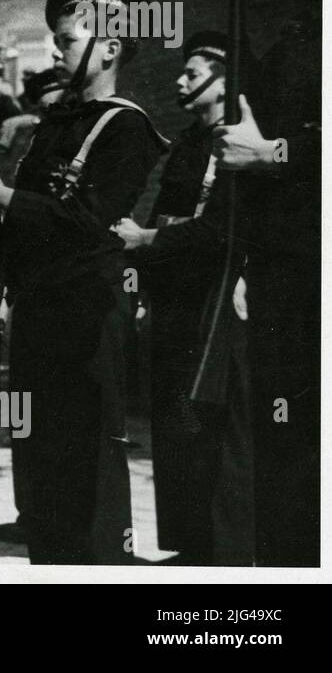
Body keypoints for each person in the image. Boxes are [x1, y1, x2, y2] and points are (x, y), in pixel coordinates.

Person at [0, 0, 167, 564]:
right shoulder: (55, 124)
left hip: (85, 313)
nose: (57, 51)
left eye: (68, 40)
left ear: (111, 48)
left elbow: (88, 220)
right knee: (42, 462)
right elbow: (28, 220)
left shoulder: (126, 127)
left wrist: (4, 197)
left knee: (88, 459)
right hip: (38, 307)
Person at [213, 0, 321, 567]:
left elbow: (282, 147)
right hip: (289, 272)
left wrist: (270, 153)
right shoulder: (296, 39)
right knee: (286, 455)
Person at [113, 30, 253, 566]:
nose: (180, 80)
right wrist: (143, 282)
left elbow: (219, 229)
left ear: (223, 82)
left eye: (192, 73)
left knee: (207, 424)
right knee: (173, 424)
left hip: (210, 304)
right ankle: (189, 544)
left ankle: (220, 551)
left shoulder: (235, 142)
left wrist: (149, 239)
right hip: (172, 298)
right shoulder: (189, 143)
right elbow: (164, 212)